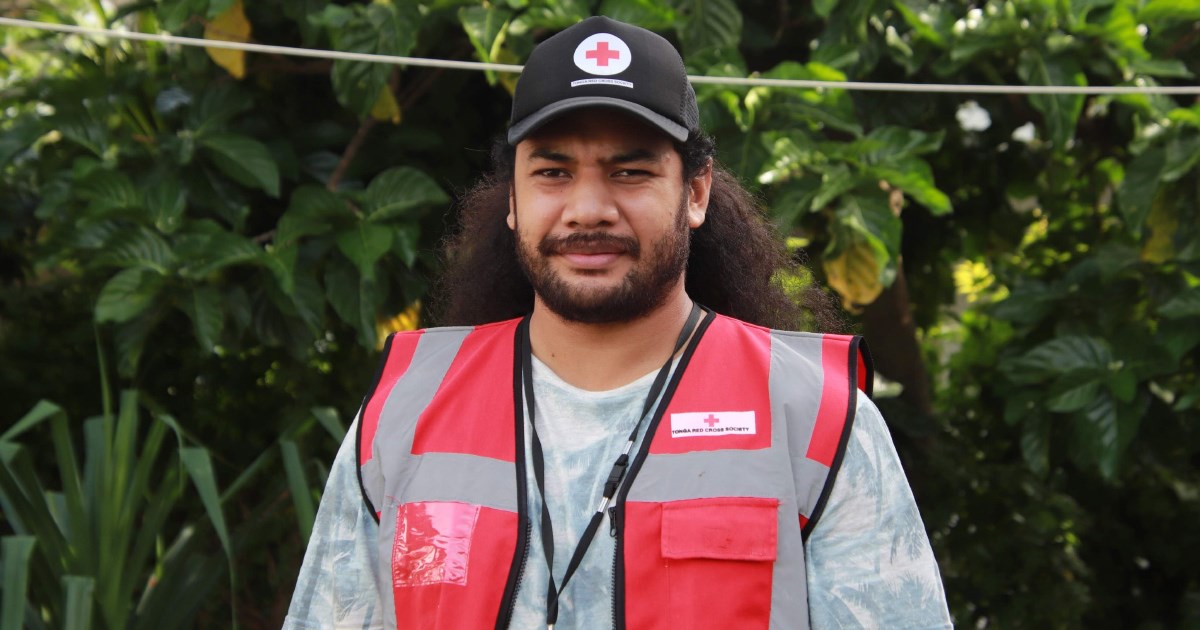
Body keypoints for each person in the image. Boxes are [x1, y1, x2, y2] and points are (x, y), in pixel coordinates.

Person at [285, 16, 952, 630]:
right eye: (552, 172)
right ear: (513, 199)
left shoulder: (816, 417)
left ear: (695, 193)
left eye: (629, 172)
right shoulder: (406, 410)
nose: (588, 209)